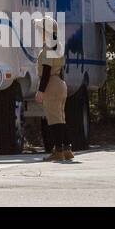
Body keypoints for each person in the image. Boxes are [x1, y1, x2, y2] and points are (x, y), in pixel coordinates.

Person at [34, 16, 72, 162]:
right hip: (60, 82)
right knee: (61, 118)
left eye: (40, 29)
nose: (39, 32)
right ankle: (67, 148)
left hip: (51, 83)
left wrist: (40, 90)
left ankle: (58, 150)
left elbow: (46, 70)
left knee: (54, 119)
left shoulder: (48, 46)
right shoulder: (58, 45)